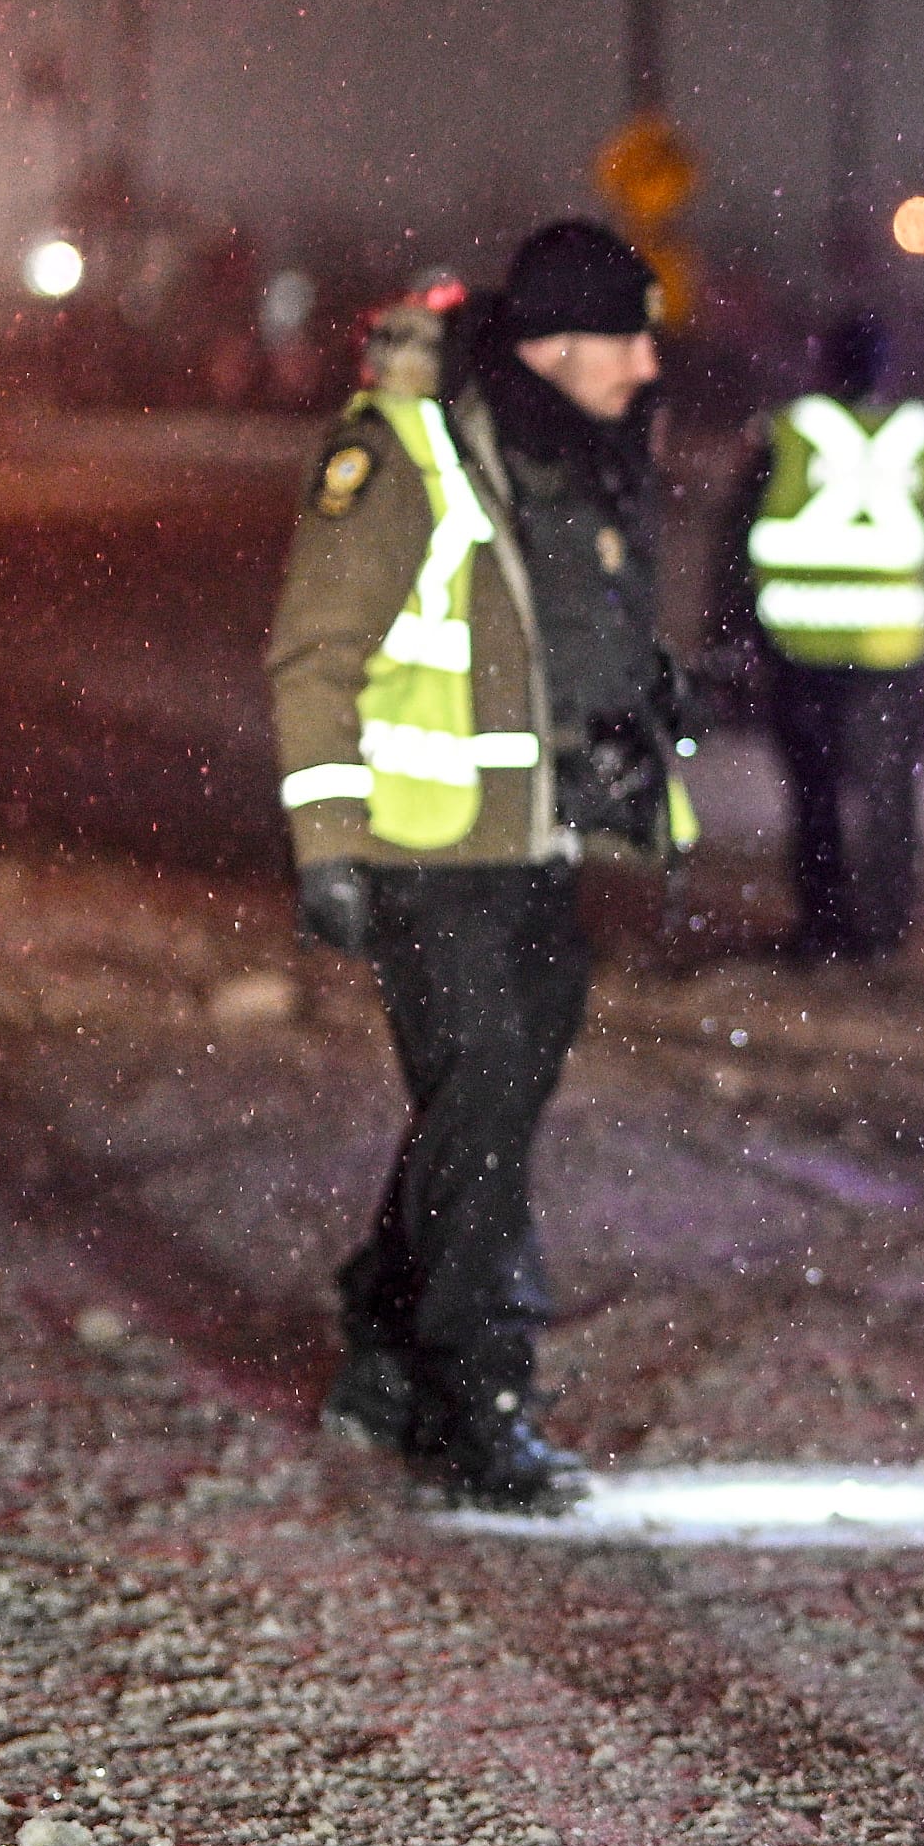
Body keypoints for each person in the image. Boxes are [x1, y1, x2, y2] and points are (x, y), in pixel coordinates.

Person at [268, 221, 697, 1512]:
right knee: (486, 1098)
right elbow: (313, 654)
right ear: (557, 346)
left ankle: (385, 1340)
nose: (644, 361)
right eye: (624, 335)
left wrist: (639, 738)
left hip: (531, 847)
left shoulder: (565, 463)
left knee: (484, 1114)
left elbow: (570, 648)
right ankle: (476, 1396)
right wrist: (331, 846)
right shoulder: (402, 457)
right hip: (425, 852)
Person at [721, 310, 924, 961]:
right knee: (886, 797)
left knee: (816, 793)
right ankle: (881, 925)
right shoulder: (923, 432)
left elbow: (741, 533)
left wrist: (734, 633)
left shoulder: (788, 430)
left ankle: (821, 922)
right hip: (890, 647)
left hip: (801, 646)